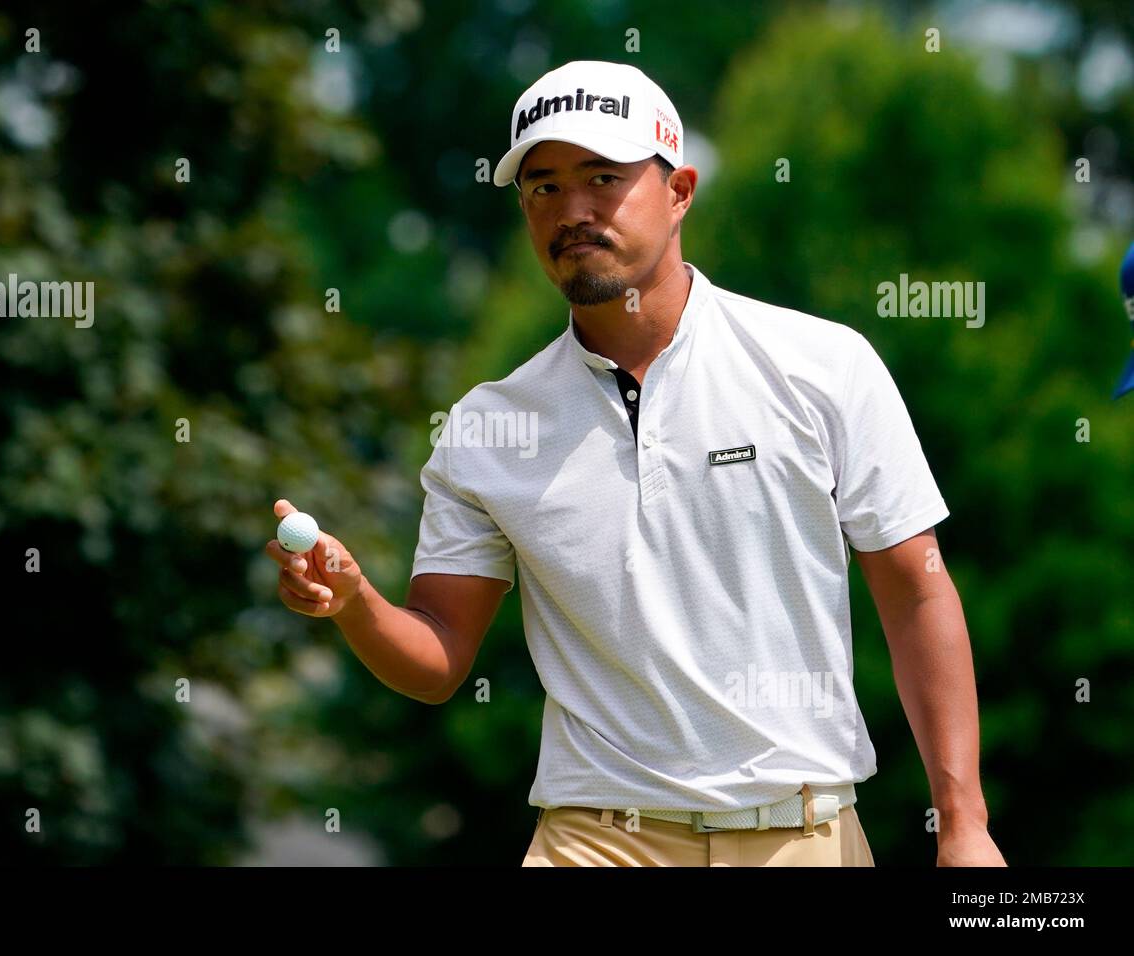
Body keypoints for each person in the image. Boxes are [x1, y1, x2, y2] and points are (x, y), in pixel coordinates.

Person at [266, 60, 1006, 867]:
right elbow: (440, 655)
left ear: (680, 190)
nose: (572, 210)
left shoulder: (825, 366)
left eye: (603, 178)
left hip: (803, 833)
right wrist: (355, 603)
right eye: (542, 187)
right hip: (593, 838)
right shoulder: (489, 424)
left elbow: (915, 589)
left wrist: (962, 822)